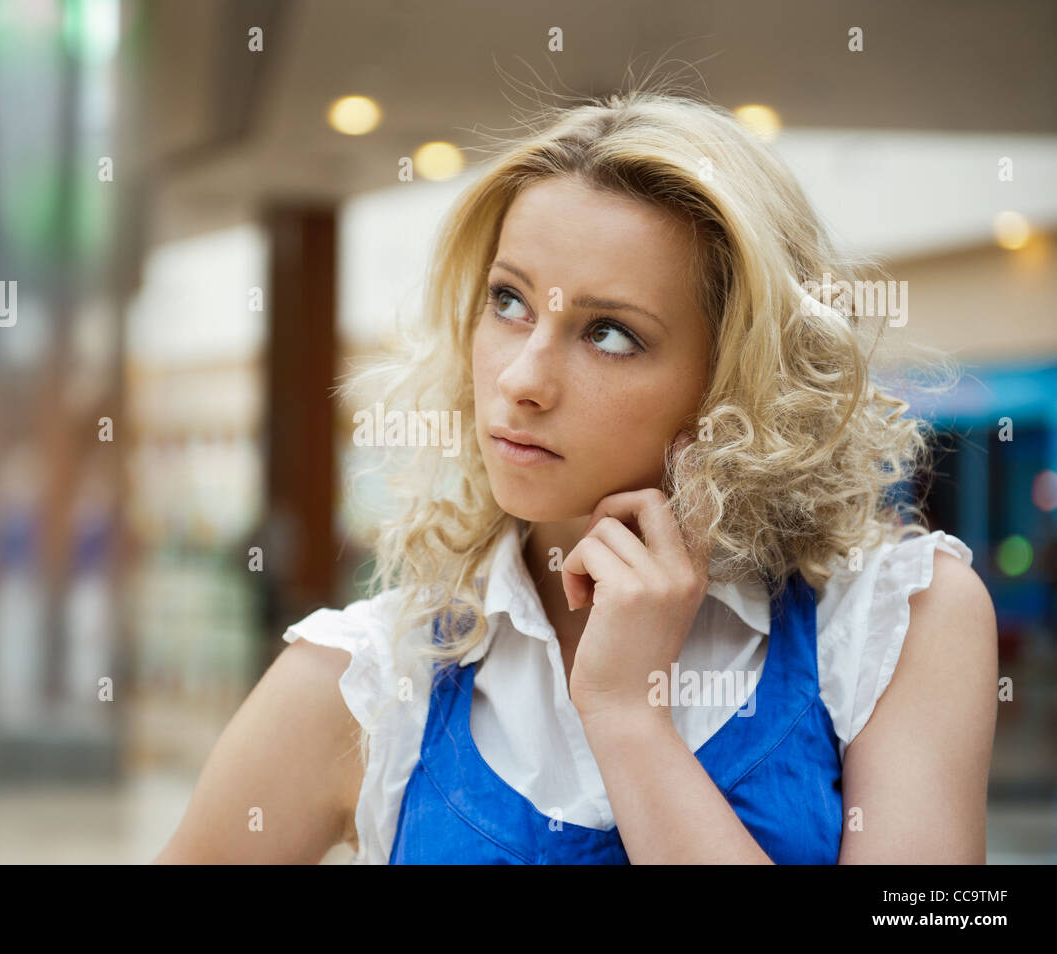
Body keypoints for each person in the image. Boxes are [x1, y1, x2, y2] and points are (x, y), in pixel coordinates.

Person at [155, 87, 998, 864]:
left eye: (609, 333)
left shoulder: (897, 622)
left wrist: (628, 718)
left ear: (734, 384)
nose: (522, 378)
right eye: (509, 300)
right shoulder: (368, 680)